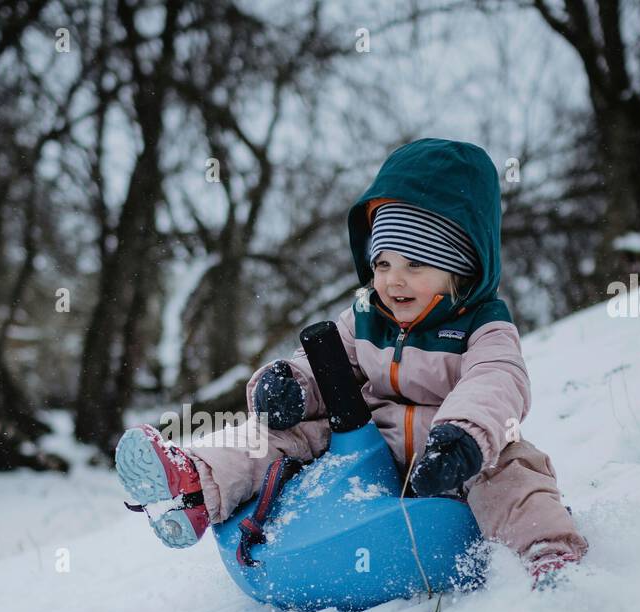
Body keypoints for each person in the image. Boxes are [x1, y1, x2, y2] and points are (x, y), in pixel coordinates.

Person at [114, 138, 588, 589]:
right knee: (274, 438)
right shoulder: (365, 317)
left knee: (512, 468)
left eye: (415, 265)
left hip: (450, 450)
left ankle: (548, 551)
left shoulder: (484, 327)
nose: (393, 280)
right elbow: (325, 367)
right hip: (368, 438)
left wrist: (463, 436)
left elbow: (496, 381)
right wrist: (292, 386)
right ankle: (194, 484)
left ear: (461, 267)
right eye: (382, 264)